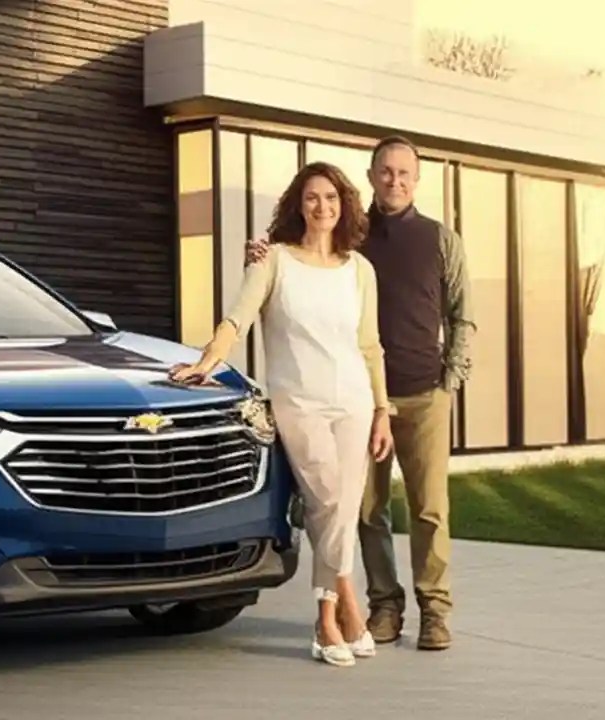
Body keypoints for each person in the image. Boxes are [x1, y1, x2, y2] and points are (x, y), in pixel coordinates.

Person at [244, 135, 475, 651]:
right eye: (386, 172)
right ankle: (383, 607)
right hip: (357, 399)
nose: (395, 181)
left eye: (405, 173)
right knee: (363, 511)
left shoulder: (441, 239)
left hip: (423, 395)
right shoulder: (350, 234)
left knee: (429, 509)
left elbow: (463, 314)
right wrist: (257, 253)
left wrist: (449, 380)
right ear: (371, 177)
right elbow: (296, 257)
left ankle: (435, 611)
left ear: (417, 180)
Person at [170, 161, 394, 667]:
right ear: (299, 204)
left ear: (345, 205)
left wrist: (382, 409)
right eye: (313, 198)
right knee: (328, 501)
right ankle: (328, 613)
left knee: (341, 505)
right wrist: (208, 360)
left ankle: (342, 606)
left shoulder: (360, 270)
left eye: (332, 198)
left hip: (355, 400)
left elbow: (371, 346)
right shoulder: (273, 260)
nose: (323, 207)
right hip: (300, 401)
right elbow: (239, 317)